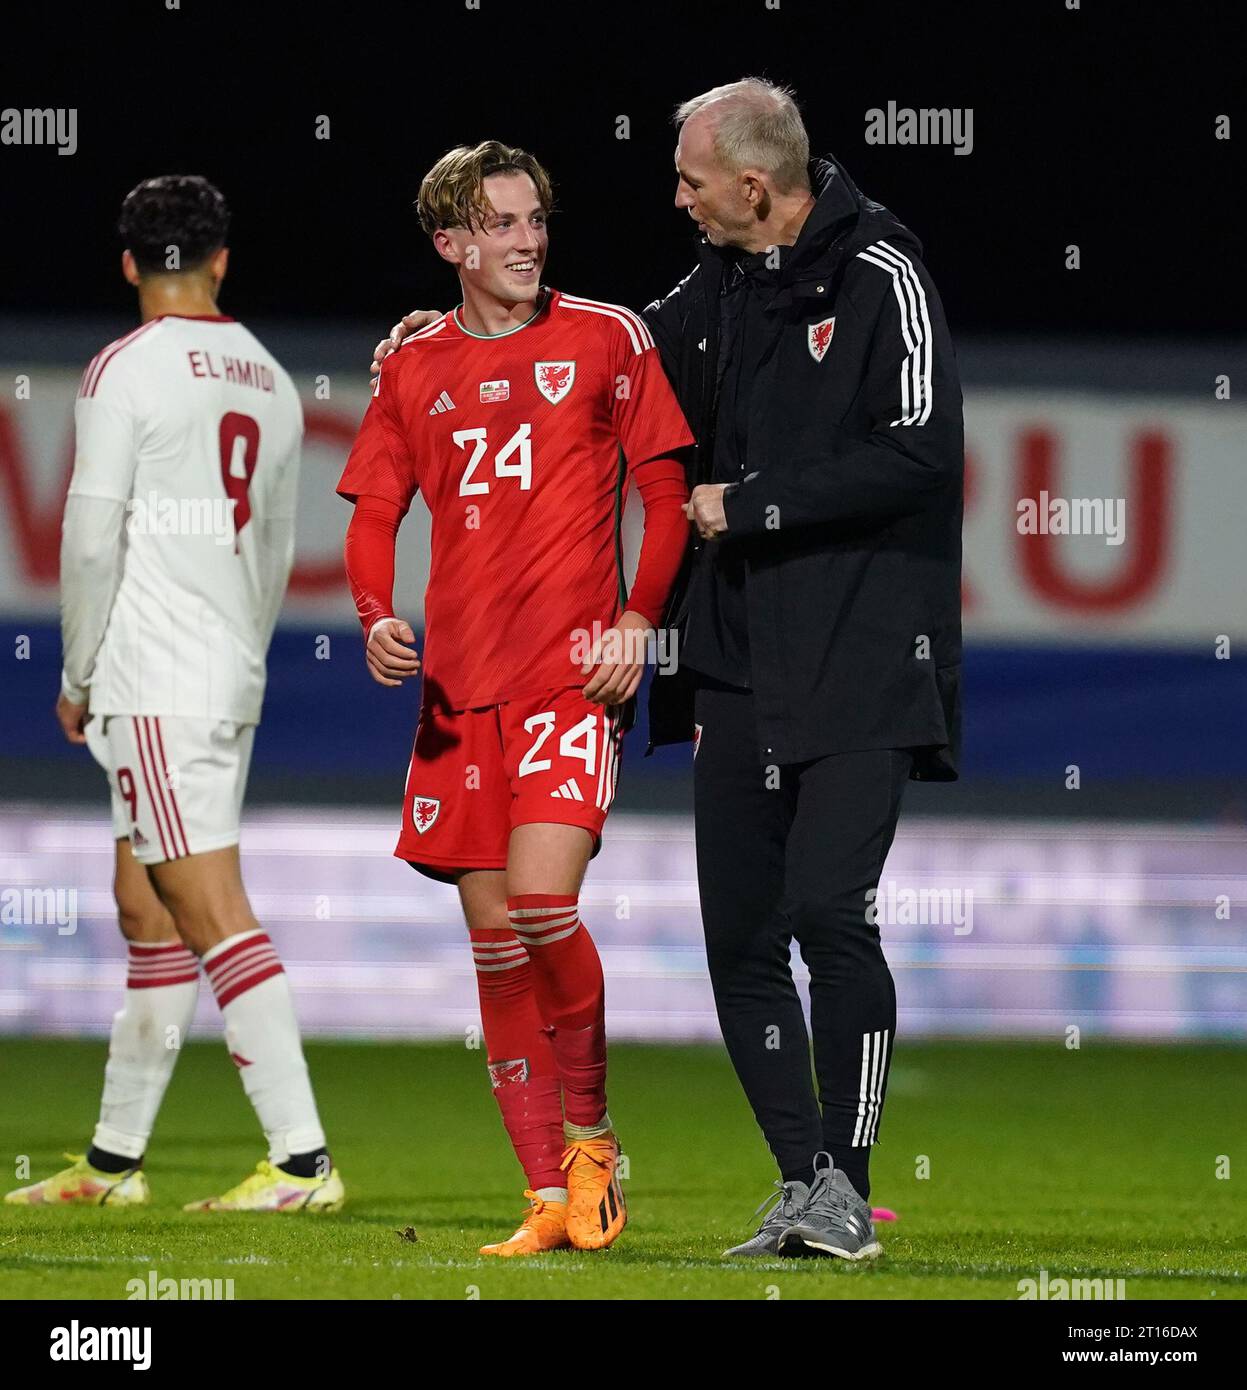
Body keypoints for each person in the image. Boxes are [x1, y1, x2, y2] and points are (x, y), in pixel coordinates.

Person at [372, 78, 963, 1262]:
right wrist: (444, 334)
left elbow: (919, 450)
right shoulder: (711, 292)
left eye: (690, 179)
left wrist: (748, 504)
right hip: (734, 660)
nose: (675, 196)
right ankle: (799, 1185)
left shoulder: (881, 271)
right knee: (739, 941)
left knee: (825, 915)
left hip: (857, 654)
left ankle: (843, 1182)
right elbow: (597, 352)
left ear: (753, 184)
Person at [339, 141, 691, 1255]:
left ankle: (591, 1142)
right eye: (499, 223)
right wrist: (371, 611)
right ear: (450, 243)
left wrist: (638, 621)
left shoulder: (606, 337)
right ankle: (548, 1192)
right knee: (493, 945)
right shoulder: (410, 365)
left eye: (534, 218)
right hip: (457, 692)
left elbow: (666, 491)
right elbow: (371, 507)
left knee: (543, 907)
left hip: (567, 679)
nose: (527, 240)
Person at [6, 175, 343, 1214]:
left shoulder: (125, 368)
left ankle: (301, 1163)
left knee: (209, 913)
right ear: (222, 260)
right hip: (222, 670)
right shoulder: (274, 381)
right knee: (145, 912)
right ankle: (113, 1164)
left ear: (125, 263)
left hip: (154, 675)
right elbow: (281, 546)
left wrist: (77, 672)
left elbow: (89, 528)